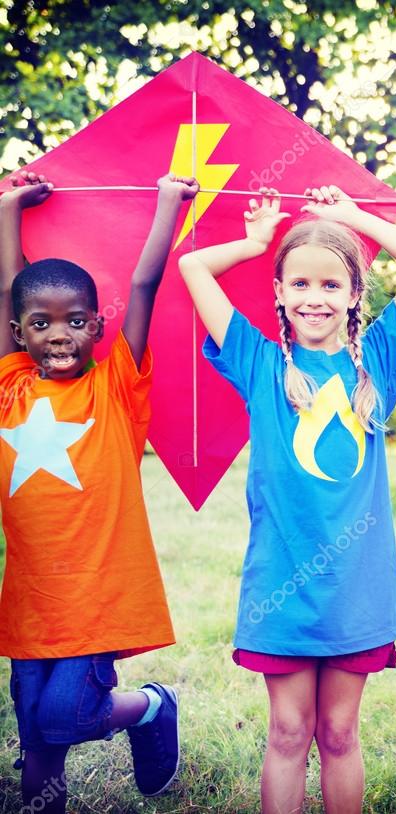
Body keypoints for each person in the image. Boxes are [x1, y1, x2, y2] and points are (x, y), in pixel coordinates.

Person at [178, 183, 396, 813]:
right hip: (283, 581)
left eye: (330, 285)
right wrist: (254, 242)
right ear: (279, 292)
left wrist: (348, 217)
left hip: (356, 585)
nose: (314, 298)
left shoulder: (378, 358)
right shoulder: (258, 364)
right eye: (299, 284)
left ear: (355, 294)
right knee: (289, 731)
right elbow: (192, 266)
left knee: (341, 733)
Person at [0, 171, 198, 812]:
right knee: (36, 735)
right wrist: (8, 210)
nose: (58, 335)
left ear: (95, 328)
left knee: (67, 714)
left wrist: (168, 202)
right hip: (32, 601)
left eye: (76, 321)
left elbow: (144, 284)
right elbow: (7, 289)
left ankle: (148, 708)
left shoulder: (116, 386)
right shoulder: (9, 386)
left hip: (98, 596)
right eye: (40, 323)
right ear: (18, 332)